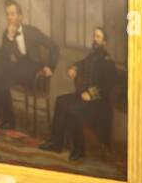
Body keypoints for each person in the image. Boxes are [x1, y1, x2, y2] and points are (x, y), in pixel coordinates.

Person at [39, 27, 117, 160]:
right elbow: (82, 63)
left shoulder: (108, 62)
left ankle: (79, 149)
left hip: (98, 104)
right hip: (84, 96)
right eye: (94, 36)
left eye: (98, 37)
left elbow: (107, 87)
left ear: (105, 42)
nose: (95, 39)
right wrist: (74, 67)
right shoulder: (93, 56)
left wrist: (91, 95)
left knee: (74, 109)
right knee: (61, 101)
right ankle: (56, 143)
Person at [0, 0, 58, 129]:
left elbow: (54, 46)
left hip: (34, 71)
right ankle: (6, 119)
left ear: (20, 16)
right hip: (18, 69)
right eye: (7, 14)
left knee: (1, 75)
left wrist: (50, 66)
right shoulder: (6, 34)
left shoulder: (32, 31)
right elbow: (4, 58)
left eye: (12, 14)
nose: (9, 18)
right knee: (0, 74)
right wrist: (10, 38)